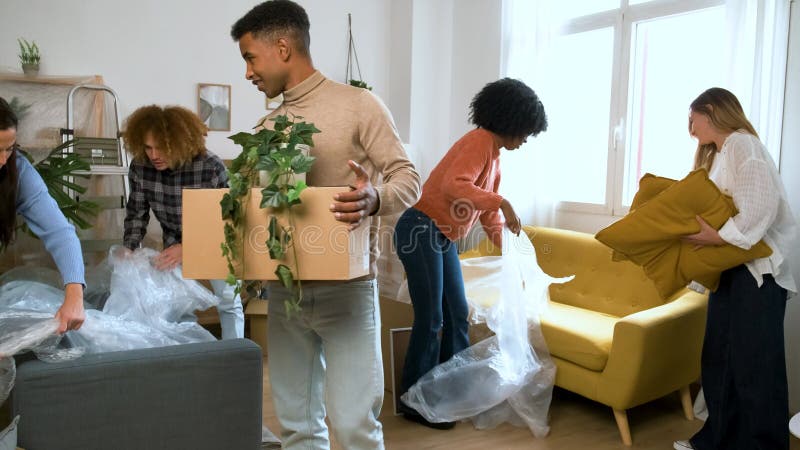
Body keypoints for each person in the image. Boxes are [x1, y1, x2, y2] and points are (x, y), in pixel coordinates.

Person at [230, 1, 421, 449]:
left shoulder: (359, 105)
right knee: (297, 427)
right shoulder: (267, 125)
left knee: (354, 426)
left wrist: (375, 198)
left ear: (282, 47)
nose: (247, 73)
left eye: (250, 57)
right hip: (286, 295)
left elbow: (407, 178)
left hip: (349, 291)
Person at [393, 78, 548, 429]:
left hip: (440, 235)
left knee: (457, 313)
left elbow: (488, 214)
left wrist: (510, 249)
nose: (525, 140)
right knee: (432, 319)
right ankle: (415, 401)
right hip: (421, 229)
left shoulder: (494, 155)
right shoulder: (479, 141)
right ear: (510, 120)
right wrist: (503, 201)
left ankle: (449, 392)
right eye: (525, 132)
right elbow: (455, 187)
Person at [673, 87, 797, 450]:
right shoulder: (721, 155)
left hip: (758, 272)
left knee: (755, 368)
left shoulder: (743, 144)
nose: (690, 128)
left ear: (710, 111)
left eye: (692, 118)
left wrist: (716, 237)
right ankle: (717, 439)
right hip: (731, 268)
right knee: (720, 360)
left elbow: (761, 207)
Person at [122, 105, 244, 339]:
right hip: (173, 240)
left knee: (229, 303)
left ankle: (233, 355)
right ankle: (188, 354)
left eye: (161, 148)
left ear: (180, 143)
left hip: (215, 241)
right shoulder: (140, 167)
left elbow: (231, 220)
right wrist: (129, 248)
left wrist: (190, 249)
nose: (154, 155)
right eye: (148, 147)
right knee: (176, 305)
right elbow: (137, 212)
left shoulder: (210, 166)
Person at [0, 97, 86, 334]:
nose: (2, 160)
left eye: (8, 149)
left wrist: (74, 295)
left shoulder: (19, 172)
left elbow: (60, 232)